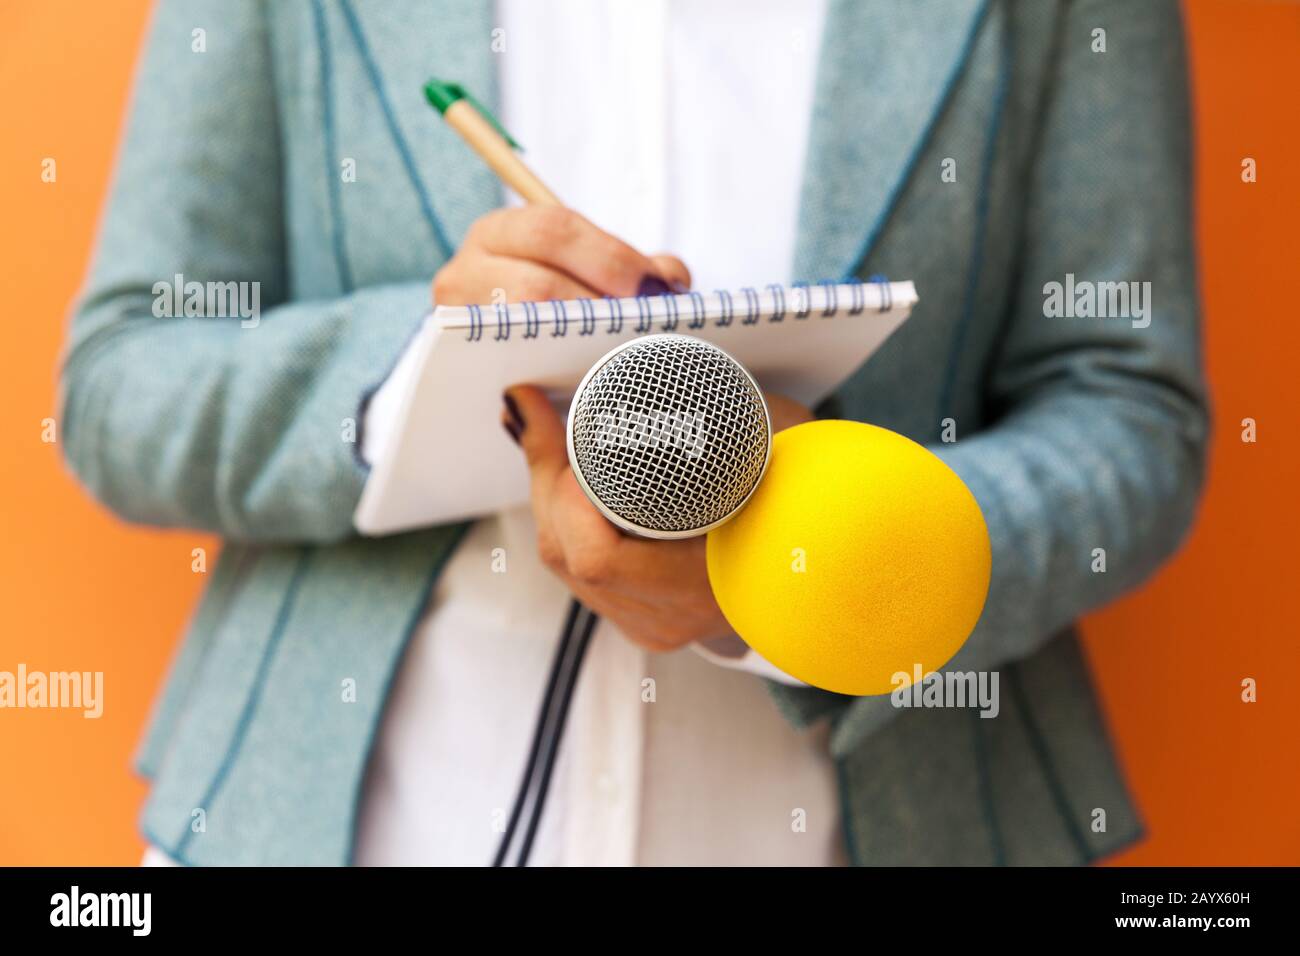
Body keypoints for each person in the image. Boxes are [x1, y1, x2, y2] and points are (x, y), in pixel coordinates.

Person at [62, 0, 1206, 866]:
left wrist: (824, 580)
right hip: (348, 813)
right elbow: (120, 381)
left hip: (899, 813)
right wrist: (423, 366)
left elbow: (1127, 403)